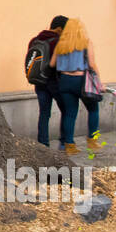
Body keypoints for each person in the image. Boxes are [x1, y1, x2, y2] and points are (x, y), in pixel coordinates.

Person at [50, 18, 101, 154]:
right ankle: (92, 140)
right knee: (93, 109)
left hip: (65, 80)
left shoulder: (61, 44)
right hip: (81, 80)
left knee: (70, 113)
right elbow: (92, 64)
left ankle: (69, 145)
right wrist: (99, 82)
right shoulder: (86, 43)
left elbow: (52, 64)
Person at [25, 15, 68, 148]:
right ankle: (63, 142)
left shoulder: (35, 40)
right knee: (66, 110)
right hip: (55, 82)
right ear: (60, 29)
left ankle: (43, 144)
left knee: (44, 113)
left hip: (39, 81)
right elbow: (60, 64)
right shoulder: (57, 42)